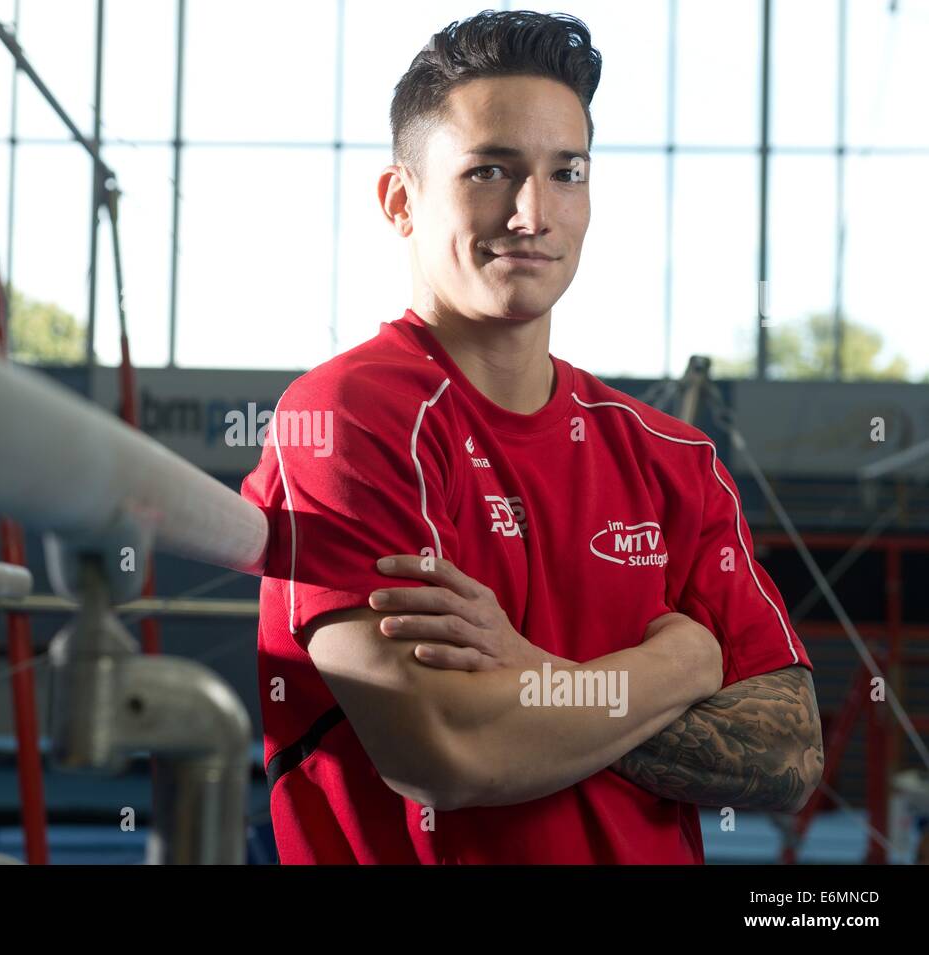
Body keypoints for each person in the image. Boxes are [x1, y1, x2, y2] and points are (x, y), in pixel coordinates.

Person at [240, 9, 823, 864]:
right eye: (489, 171)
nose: (531, 213)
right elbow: (447, 748)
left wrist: (531, 676)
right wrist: (684, 666)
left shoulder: (671, 461)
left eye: (566, 171)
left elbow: (789, 753)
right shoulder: (347, 420)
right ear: (401, 200)